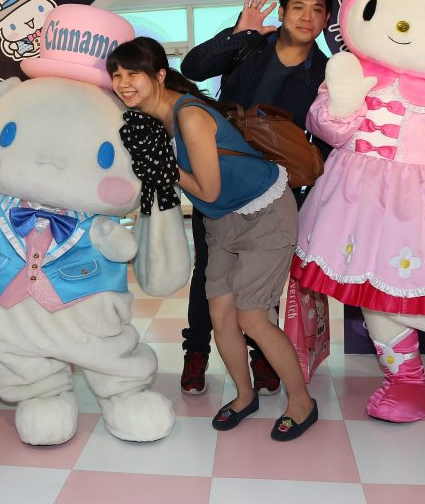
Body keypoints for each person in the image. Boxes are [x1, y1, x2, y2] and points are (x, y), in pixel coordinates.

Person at [108, 37, 318, 441]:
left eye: (133, 73)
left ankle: (301, 400)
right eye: (117, 75)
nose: (123, 83)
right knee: (220, 314)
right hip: (222, 222)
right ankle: (244, 395)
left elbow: (206, 190)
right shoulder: (150, 120)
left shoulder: (189, 116)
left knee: (251, 316)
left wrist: (164, 166)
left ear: (159, 75)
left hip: (265, 214)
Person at [177, 0, 333, 395]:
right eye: (298, 6)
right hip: (219, 176)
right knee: (208, 271)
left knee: (262, 278)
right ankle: (197, 351)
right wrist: (241, 31)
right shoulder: (251, 46)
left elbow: (325, 137)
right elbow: (192, 68)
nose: (306, 16)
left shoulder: (324, 73)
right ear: (281, 12)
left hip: (276, 188)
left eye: (317, 10)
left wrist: (312, 190)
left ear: (325, 21)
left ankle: (261, 355)